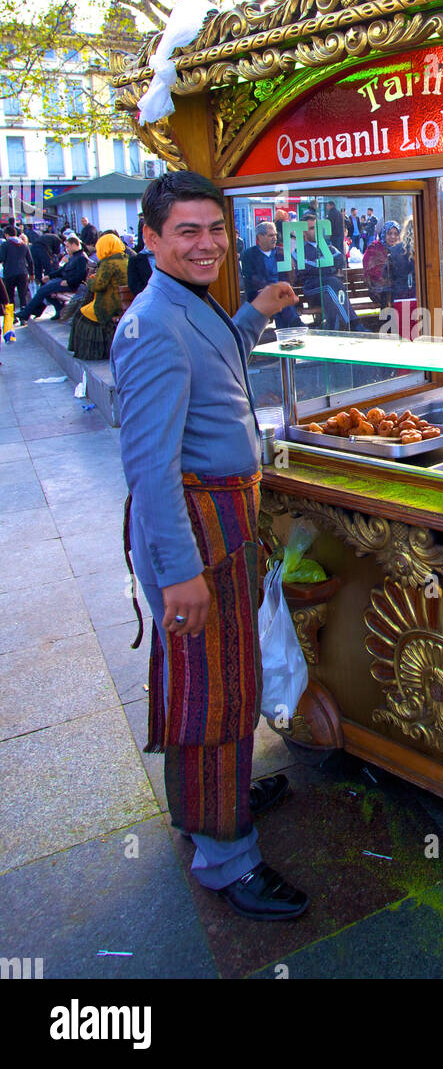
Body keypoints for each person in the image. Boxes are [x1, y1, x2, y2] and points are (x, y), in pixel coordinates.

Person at [111, 170, 307, 921]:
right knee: (212, 693)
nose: (207, 244)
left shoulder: (185, 305)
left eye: (215, 229)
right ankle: (226, 857)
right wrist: (178, 576)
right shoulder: (151, 325)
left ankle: (213, 796)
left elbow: (217, 352)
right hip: (197, 534)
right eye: (187, 232)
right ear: (152, 239)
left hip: (224, 522)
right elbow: (148, 465)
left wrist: (254, 315)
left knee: (226, 680)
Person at [67, 232, 129, 360]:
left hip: (109, 305)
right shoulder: (125, 259)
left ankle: (93, 352)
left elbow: (98, 286)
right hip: (124, 301)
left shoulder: (109, 263)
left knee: (82, 314)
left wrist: (90, 280)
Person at [18, 233, 87, 322]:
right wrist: (49, 276)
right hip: (63, 281)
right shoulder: (75, 257)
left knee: (43, 290)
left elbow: (80, 275)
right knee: (44, 287)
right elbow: (61, 270)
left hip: (70, 284)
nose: (66, 250)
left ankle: (26, 313)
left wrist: (68, 282)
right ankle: (58, 309)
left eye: (68, 247)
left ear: (74, 245)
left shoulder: (81, 258)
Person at [0, 224, 34, 315]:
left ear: (7, 234)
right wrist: (31, 274)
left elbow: (1, 258)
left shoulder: (5, 245)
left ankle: (12, 317)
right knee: (22, 295)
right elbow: (30, 261)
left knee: (10, 297)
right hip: (23, 273)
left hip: (9, 274)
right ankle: (24, 316)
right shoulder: (23, 244)